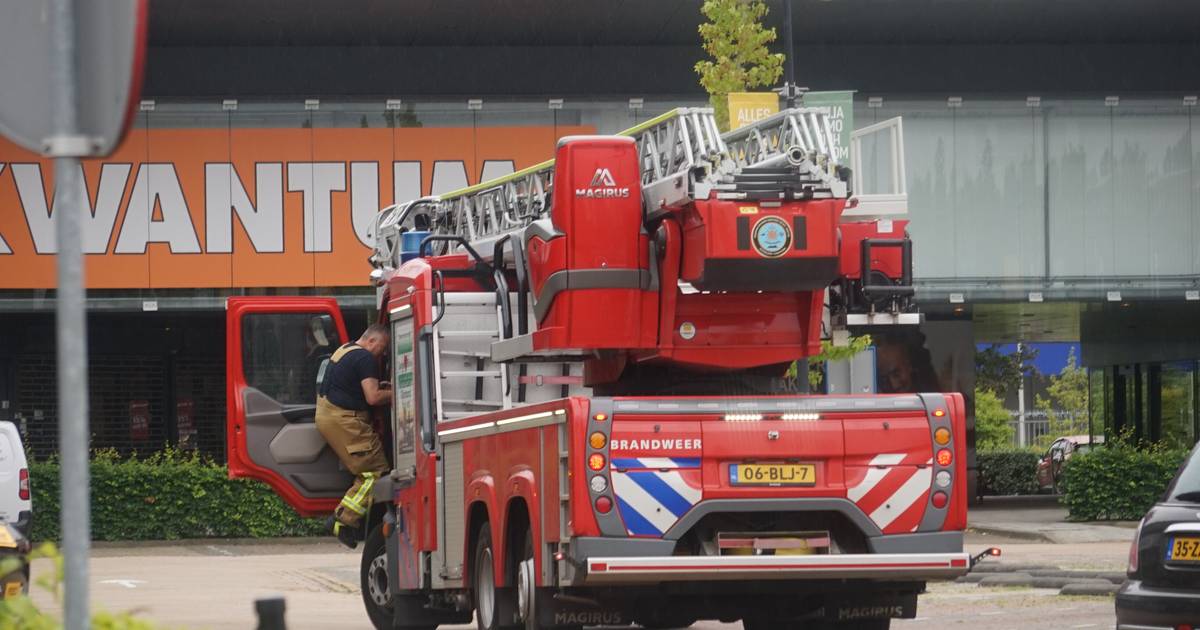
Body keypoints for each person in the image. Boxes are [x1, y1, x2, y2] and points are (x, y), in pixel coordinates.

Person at [315, 323, 393, 549]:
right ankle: (343, 520)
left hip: (330, 416)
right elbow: (373, 397)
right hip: (346, 420)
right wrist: (400, 393)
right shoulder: (365, 358)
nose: (382, 354)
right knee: (375, 473)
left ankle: (345, 521)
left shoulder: (345, 349)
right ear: (372, 341)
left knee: (366, 472)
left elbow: (350, 385)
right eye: (383, 348)